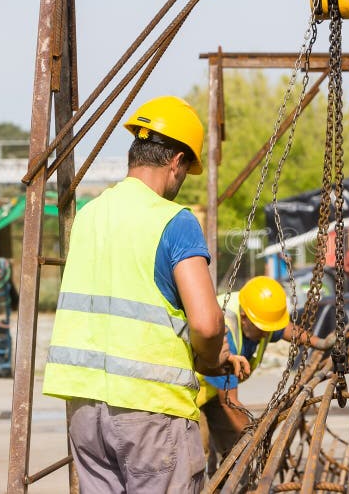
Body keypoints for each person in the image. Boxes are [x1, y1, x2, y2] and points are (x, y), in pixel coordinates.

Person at [42, 96, 247, 493]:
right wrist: (210, 360)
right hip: (150, 409)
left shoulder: (89, 216)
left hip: (84, 409)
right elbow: (206, 323)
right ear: (177, 162)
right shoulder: (173, 220)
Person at [197, 276, 335, 466]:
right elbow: (229, 402)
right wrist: (258, 442)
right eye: (263, 329)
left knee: (235, 450)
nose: (266, 334)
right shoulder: (226, 333)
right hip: (193, 392)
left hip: (216, 391)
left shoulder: (258, 316)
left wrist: (319, 342)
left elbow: (283, 329)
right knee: (200, 455)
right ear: (244, 317)